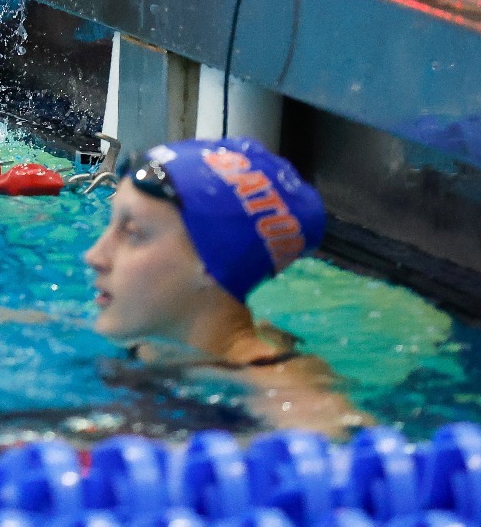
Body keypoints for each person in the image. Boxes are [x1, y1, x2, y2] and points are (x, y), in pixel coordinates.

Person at [83, 138, 364, 434]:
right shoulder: (147, 345)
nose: (94, 256)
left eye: (134, 233)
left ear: (214, 261)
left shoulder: (297, 413)